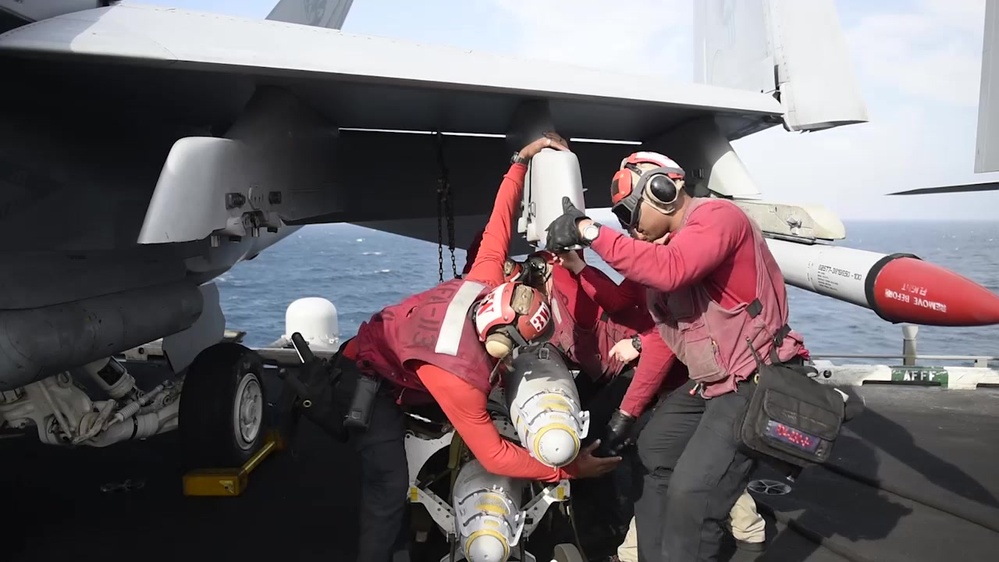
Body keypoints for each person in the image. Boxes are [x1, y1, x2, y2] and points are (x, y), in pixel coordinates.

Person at [335, 134, 621, 562]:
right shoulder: (459, 378)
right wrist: (567, 469)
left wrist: (519, 162)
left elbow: (499, 222)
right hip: (367, 383)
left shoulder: (484, 279)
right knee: (387, 489)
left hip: (402, 366)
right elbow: (496, 455)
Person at [545, 151, 807, 561]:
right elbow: (660, 340)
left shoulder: (719, 218)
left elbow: (672, 269)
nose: (630, 227)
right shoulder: (663, 254)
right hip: (713, 384)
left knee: (694, 495)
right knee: (654, 448)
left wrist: (588, 230)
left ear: (663, 190)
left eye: (631, 213)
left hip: (756, 378)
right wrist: (626, 416)